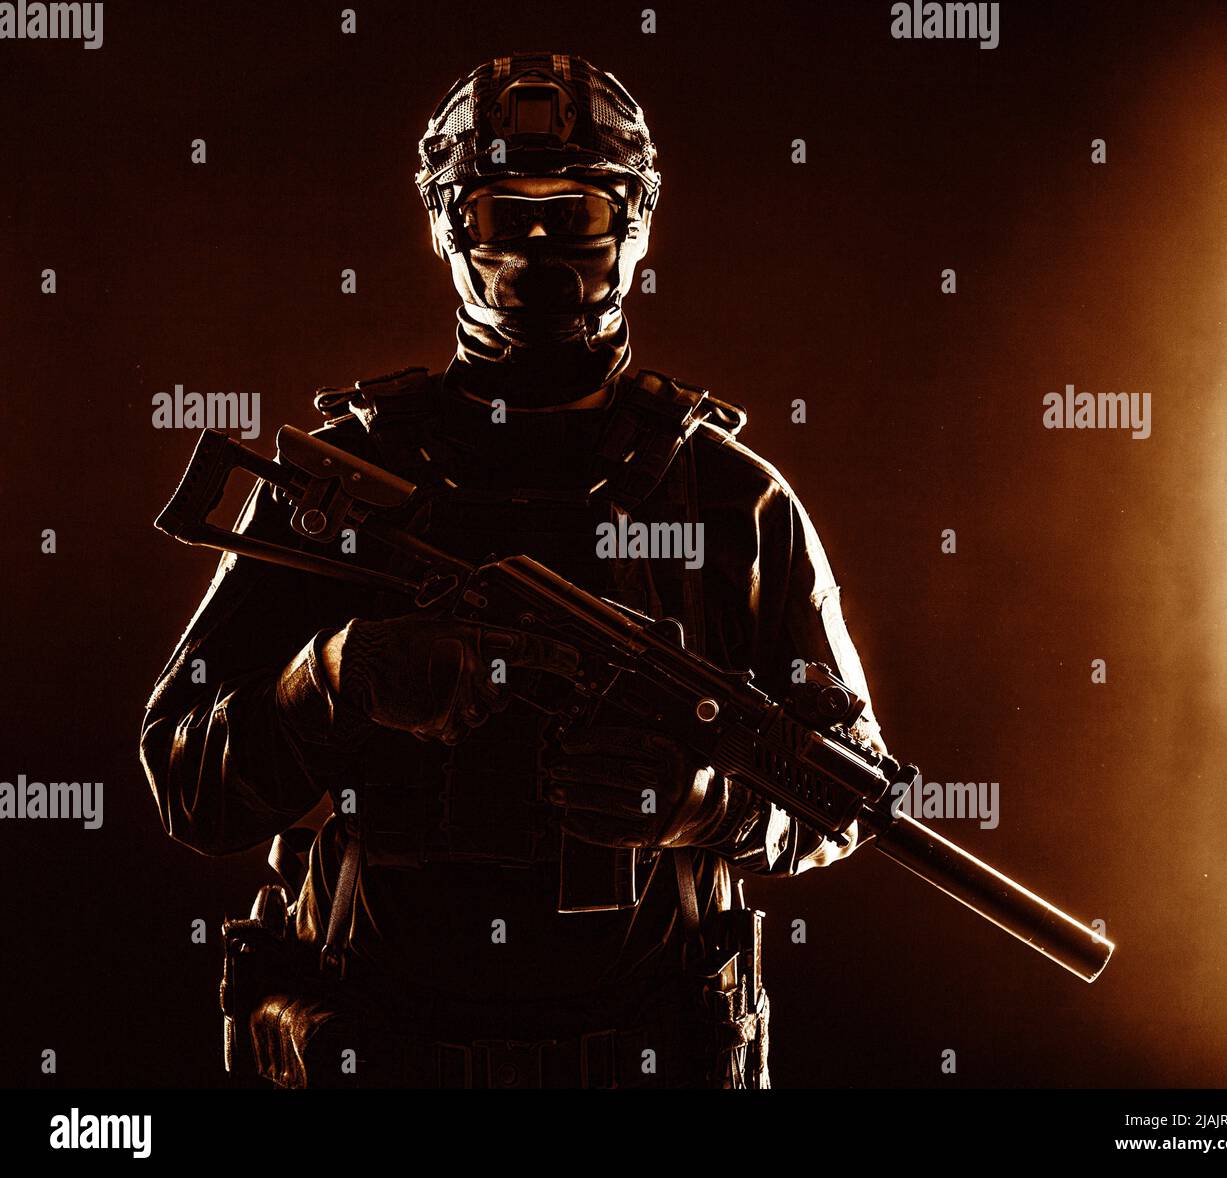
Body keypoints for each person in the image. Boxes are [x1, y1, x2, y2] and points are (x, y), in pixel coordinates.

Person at [140, 52, 887, 1089]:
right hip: (376, 1053)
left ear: (632, 223)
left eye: (572, 208)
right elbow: (187, 784)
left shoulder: (729, 498)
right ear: (449, 224)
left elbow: (850, 788)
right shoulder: (349, 481)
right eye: (504, 211)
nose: (537, 248)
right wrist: (336, 679)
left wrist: (702, 800)